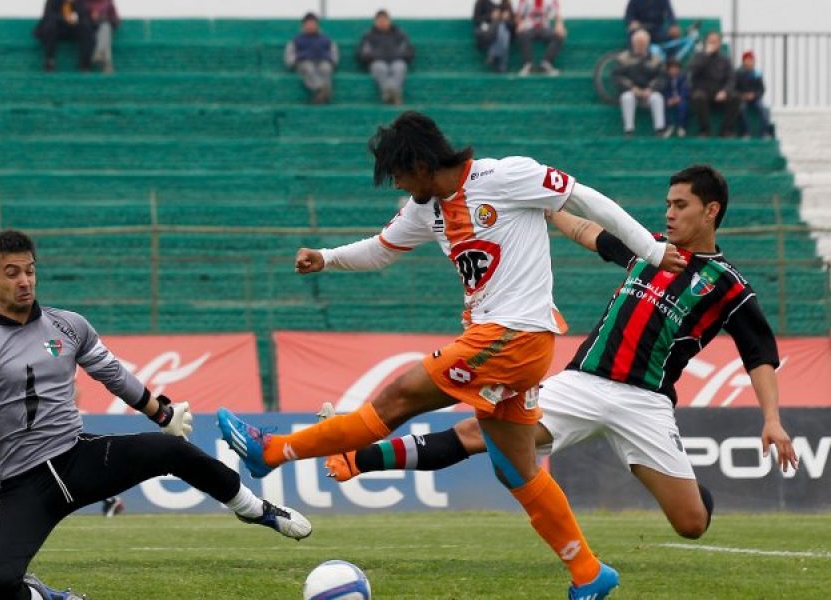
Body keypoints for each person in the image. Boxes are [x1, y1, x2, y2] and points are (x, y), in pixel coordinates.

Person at [217, 111, 687, 600]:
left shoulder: (505, 176)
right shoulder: (426, 207)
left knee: (399, 396)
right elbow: (382, 249)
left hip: (514, 335)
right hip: (505, 343)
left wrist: (651, 252)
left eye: (398, 173)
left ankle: (270, 452)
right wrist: (328, 257)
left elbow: (587, 198)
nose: (396, 183)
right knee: (515, 469)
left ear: (420, 164)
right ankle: (589, 574)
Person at [326, 165, 801, 542]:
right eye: (667, 204)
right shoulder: (649, 248)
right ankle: (355, 458)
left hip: (645, 402)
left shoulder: (729, 284)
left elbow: (758, 352)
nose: (669, 213)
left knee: (691, 524)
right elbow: (588, 232)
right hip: (583, 383)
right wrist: (548, 207)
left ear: (711, 211)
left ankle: (686, 489)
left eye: (681, 205)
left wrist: (772, 419)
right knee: (476, 433)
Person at [0, 231, 311, 600]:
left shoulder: (67, 325)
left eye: (30, 271)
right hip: (21, 484)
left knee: (174, 450)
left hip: (76, 458)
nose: (24, 281)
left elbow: (111, 373)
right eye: (11, 273)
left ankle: (255, 509)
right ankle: (49, 597)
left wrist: (160, 412)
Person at [688, 31, 741, 137]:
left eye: (715, 41)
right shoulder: (698, 56)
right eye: (710, 41)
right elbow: (693, 71)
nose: (713, 44)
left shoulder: (725, 60)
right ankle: (705, 130)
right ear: (706, 42)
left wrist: (725, 91)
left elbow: (731, 78)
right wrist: (706, 55)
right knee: (698, 97)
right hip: (703, 91)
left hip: (720, 93)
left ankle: (726, 130)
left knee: (735, 97)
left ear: (720, 43)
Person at [356, 10, 415, 105]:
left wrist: (397, 56)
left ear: (389, 20)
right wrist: (375, 57)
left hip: (397, 61)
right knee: (379, 67)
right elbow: (362, 54)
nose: (382, 22)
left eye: (385, 20)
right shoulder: (368, 36)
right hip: (377, 62)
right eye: (380, 20)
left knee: (400, 66)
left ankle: (389, 94)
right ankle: (394, 93)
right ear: (375, 22)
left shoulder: (400, 35)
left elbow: (409, 52)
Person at [614, 29, 666, 136]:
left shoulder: (656, 59)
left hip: (649, 91)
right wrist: (631, 88)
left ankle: (660, 129)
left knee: (657, 98)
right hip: (631, 91)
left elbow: (662, 78)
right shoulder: (623, 58)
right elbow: (617, 76)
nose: (640, 46)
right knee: (627, 97)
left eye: (643, 43)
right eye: (638, 43)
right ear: (633, 43)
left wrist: (651, 89)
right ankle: (629, 130)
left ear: (647, 43)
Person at [285, 12, 339, 104]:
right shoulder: (296, 40)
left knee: (326, 68)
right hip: (304, 62)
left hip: (322, 61)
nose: (310, 26)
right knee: (308, 68)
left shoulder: (326, 39)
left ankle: (322, 95)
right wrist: (293, 62)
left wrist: (332, 61)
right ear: (303, 26)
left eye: (313, 24)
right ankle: (322, 89)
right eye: (308, 24)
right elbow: (289, 54)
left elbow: (334, 53)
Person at [35, 0, 96, 72]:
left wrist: (74, 8)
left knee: (86, 29)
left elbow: (84, 16)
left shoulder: (80, 2)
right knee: (50, 26)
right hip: (58, 28)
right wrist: (64, 18)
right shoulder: (52, 1)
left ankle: (85, 64)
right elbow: (48, 15)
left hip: (74, 29)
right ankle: (50, 60)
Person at [515, 0, 565, 76]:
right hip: (529, 27)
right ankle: (527, 65)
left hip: (544, 28)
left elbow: (557, 15)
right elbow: (518, 14)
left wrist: (559, 25)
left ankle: (546, 63)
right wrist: (520, 24)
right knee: (522, 34)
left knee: (558, 36)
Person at [735, 51, 775, 138]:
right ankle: (746, 132)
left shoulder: (757, 74)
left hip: (755, 99)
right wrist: (743, 95)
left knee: (763, 109)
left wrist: (754, 95)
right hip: (743, 99)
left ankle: (763, 133)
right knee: (741, 109)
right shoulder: (738, 74)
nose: (749, 62)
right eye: (747, 60)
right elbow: (735, 89)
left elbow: (762, 89)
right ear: (743, 61)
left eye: (751, 60)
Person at [473, 0, 515, 73]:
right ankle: (502, 65)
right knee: (500, 29)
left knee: (502, 29)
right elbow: (477, 19)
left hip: (503, 30)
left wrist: (505, 18)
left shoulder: (506, 3)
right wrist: (491, 16)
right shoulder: (481, 2)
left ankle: (492, 54)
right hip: (487, 29)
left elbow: (512, 24)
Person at [88, 0, 120, 74]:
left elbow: (115, 19)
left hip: (103, 27)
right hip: (89, 30)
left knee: (105, 28)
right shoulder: (85, 2)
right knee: (105, 33)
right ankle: (107, 65)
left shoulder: (108, 2)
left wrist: (103, 18)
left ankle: (99, 53)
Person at [662, 59, 689, 137]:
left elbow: (686, 89)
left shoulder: (683, 77)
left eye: (676, 68)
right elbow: (664, 90)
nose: (674, 71)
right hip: (669, 99)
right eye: (672, 69)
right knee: (663, 105)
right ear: (668, 70)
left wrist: (680, 98)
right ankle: (668, 126)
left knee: (683, 106)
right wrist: (668, 99)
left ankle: (681, 127)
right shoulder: (665, 78)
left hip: (681, 98)